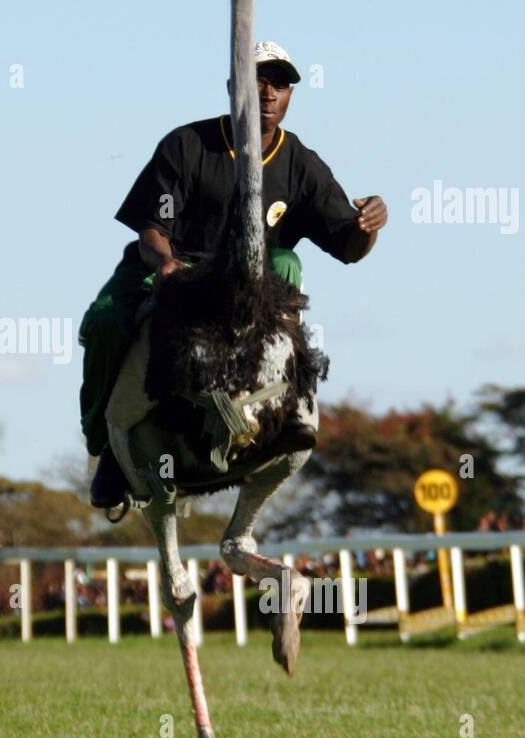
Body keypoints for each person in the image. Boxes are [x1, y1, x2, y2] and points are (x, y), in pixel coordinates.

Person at [78, 41, 387, 506]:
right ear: (231, 88)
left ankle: (287, 411)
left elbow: (349, 246)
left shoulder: (301, 163)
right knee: (104, 322)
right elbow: (151, 229)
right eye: (257, 80)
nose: (268, 92)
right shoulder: (186, 144)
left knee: (287, 265)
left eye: (280, 83)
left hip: (249, 281)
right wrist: (165, 262)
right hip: (174, 268)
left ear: (289, 97)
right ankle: (106, 448)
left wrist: (369, 225)